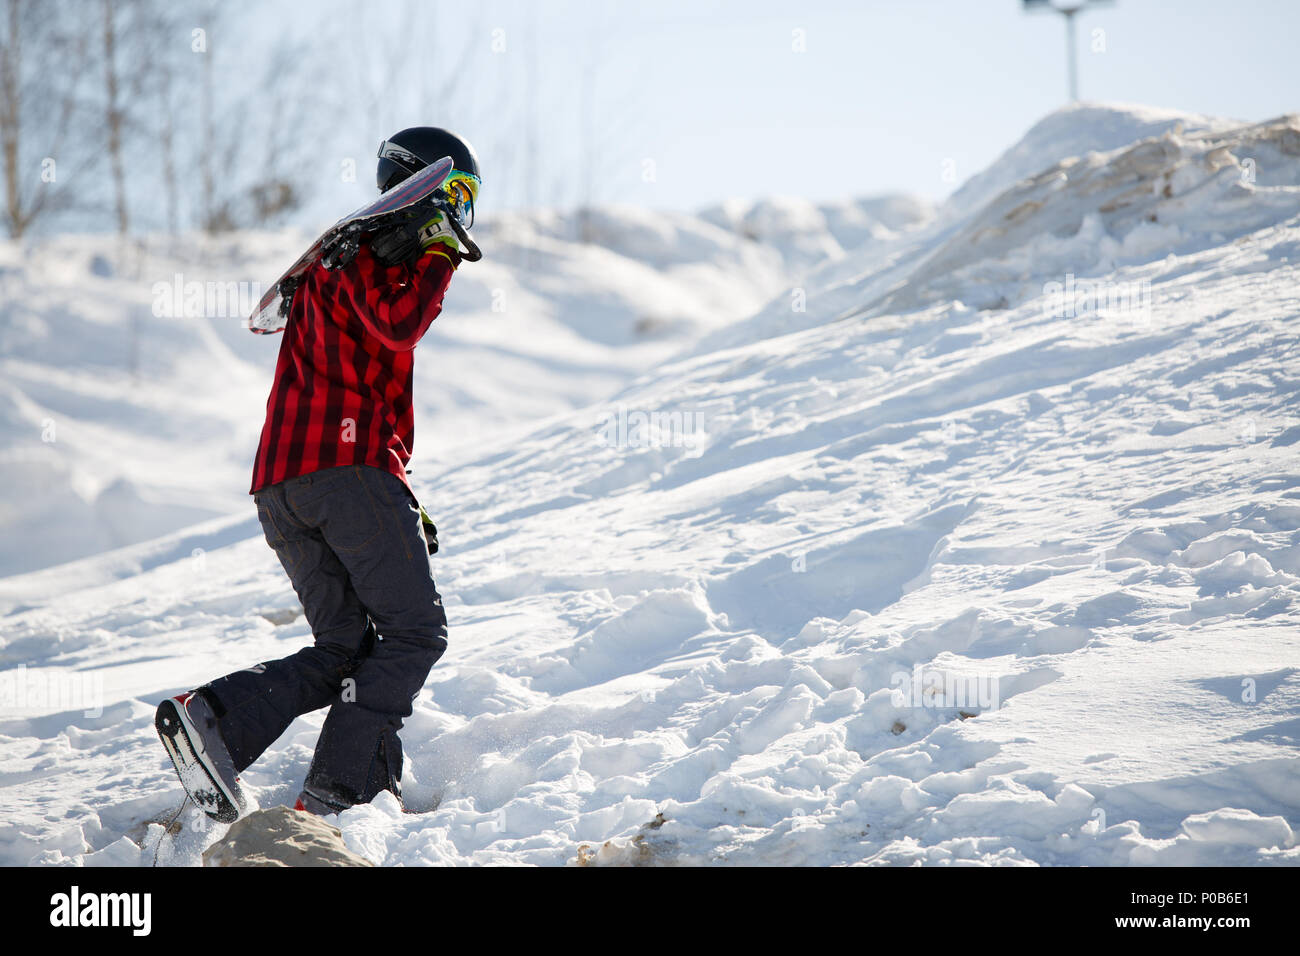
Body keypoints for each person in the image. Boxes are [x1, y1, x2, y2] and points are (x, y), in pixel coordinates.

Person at [155, 127, 481, 820]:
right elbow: (398, 326)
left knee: (345, 648)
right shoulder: (363, 251)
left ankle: (213, 719)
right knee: (416, 633)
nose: (459, 219)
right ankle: (338, 793)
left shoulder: (337, 262)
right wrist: (442, 255)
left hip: (285, 485)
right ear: (427, 187)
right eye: (459, 199)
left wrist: (397, 491)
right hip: (344, 472)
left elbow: (355, 364)